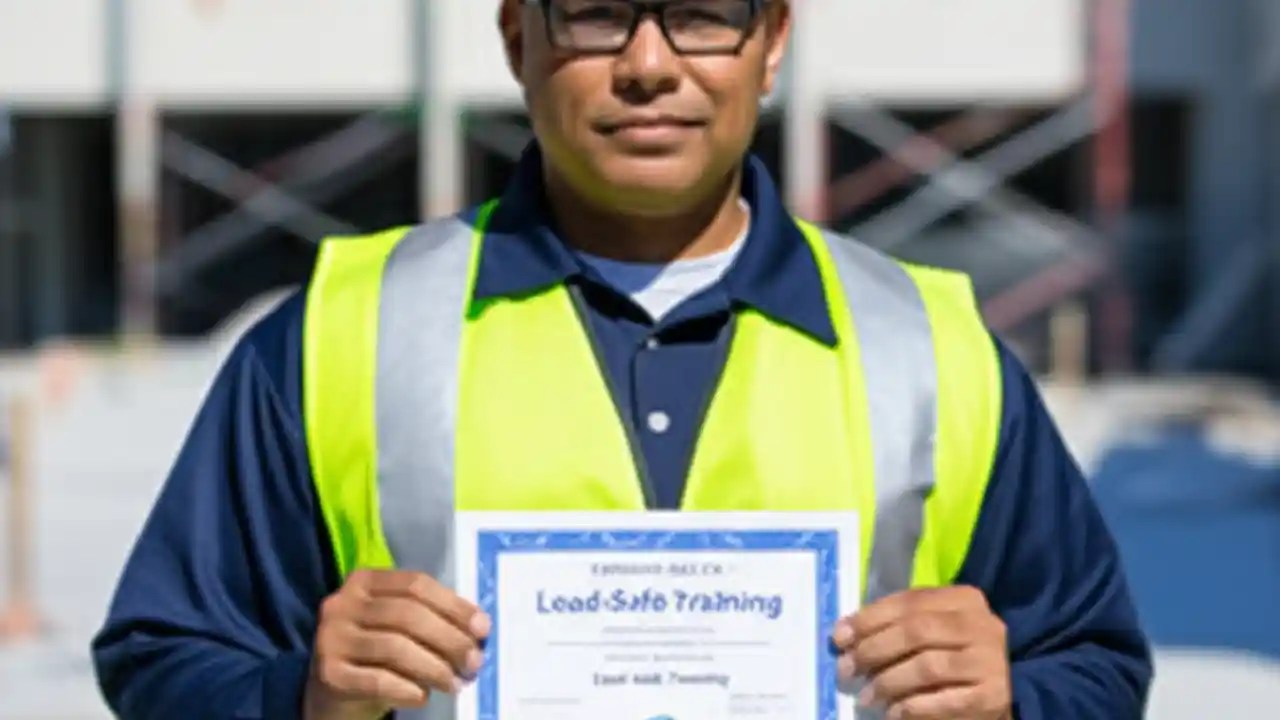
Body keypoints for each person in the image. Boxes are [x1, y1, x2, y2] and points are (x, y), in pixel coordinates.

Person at [92, 1, 1152, 718]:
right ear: (517, 38)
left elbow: (1093, 664)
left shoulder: (932, 347)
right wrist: (299, 697)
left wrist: (1011, 700)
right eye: (596, 13)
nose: (649, 65)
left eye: (701, 13)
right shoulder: (338, 334)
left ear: (771, 41)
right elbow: (163, 659)